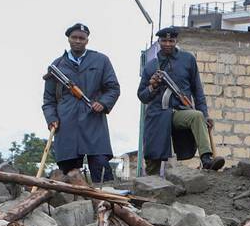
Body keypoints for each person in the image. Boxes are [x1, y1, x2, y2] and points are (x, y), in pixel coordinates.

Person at [138, 26, 224, 175]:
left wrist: (205, 115)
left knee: (197, 116)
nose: (167, 44)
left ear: (176, 41)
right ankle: (150, 184)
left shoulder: (188, 59)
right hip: (157, 115)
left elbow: (198, 91)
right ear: (159, 41)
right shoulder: (151, 66)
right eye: (164, 40)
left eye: (171, 40)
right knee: (153, 158)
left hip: (181, 111)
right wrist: (152, 86)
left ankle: (206, 159)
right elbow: (142, 96)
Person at [42, 22, 120, 182]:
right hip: (66, 125)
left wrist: (103, 103)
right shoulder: (56, 66)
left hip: (94, 122)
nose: (78, 41)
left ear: (87, 40)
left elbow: (113, 88)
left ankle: (109, 205)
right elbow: (49, 100)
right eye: (74, 37)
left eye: (82, 38)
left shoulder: (101, 60)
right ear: (68, 39)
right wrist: (52, 119)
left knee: (102, 171)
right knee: (69, 177)